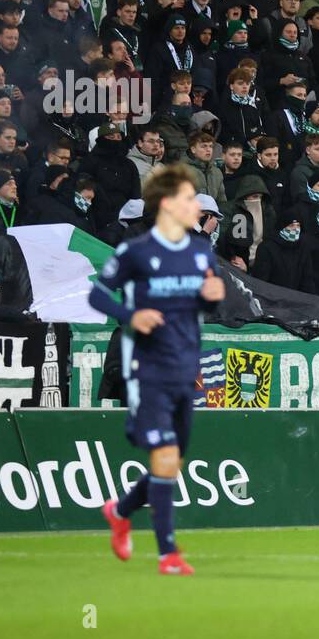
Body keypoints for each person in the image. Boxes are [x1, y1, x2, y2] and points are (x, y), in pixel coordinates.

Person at [91, 165, 226, 576]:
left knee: (172, 461)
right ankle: (168, 553)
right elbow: (98, 294)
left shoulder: (201, 252)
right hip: (147, 368)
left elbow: (206, 305)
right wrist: (131, 315)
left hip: (187, 366)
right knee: (165, 457)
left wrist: (212, 296)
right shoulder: (135, 251)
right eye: (189, 199)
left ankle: (121, 510)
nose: (197, 207)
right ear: (168, 205)